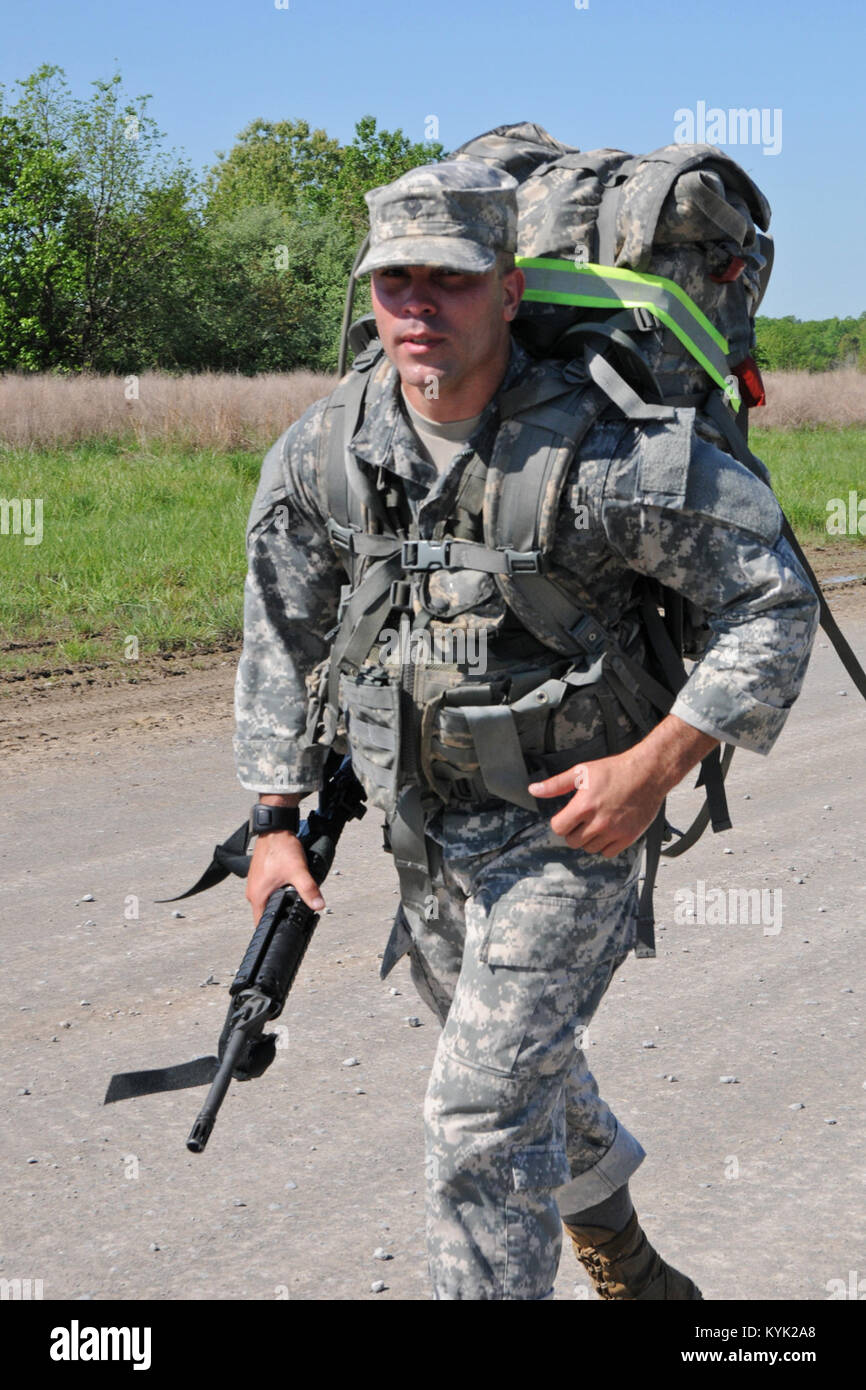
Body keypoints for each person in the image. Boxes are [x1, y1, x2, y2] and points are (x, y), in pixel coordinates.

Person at [233, 159, 819, 1300]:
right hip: (424, 826)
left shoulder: (607, 460)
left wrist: (652, 769)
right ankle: (629, 1264)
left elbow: (772, 599)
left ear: (505, 289)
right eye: (393, 281)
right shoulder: (326, 453)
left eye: (446, 280)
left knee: (478, 1116)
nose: (416, 307)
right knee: (520, 1070)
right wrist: (271, 820)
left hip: (571, 830)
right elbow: (281, 630)